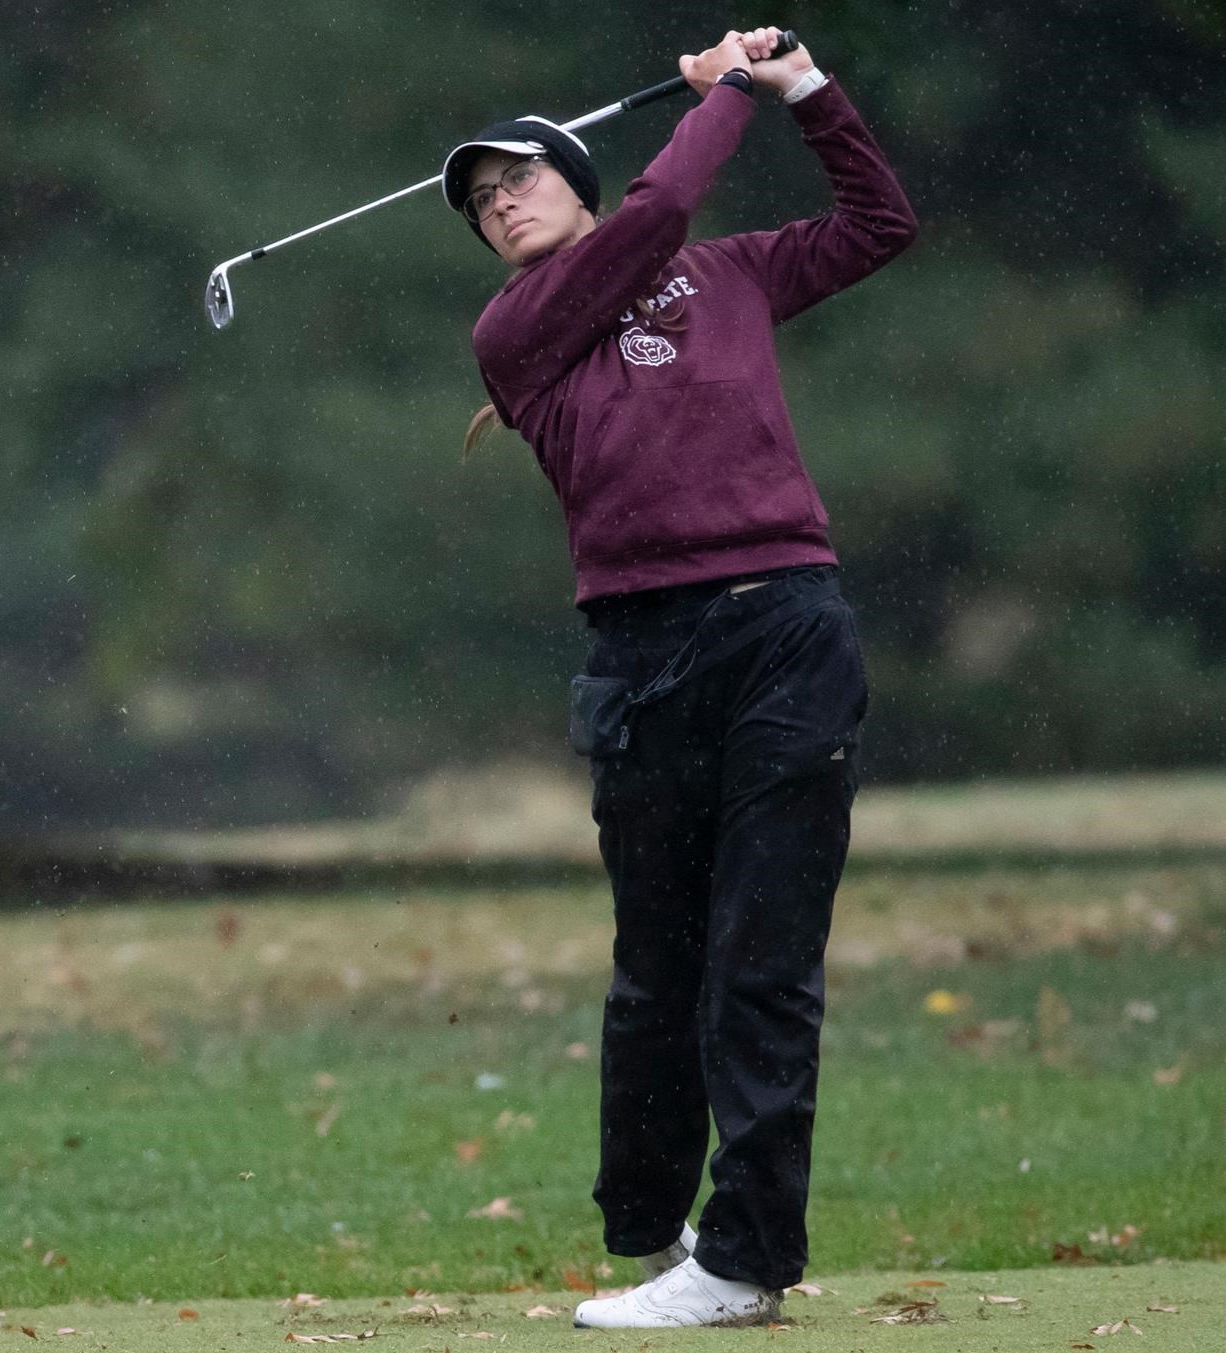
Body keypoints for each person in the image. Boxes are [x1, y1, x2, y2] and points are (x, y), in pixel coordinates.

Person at [440, 26, 917, 1330]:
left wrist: (805, 93)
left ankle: (746, 1253)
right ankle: (655, 1235)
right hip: (644, 656)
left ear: (574, 182)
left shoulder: (733, 275)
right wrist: (719, 102)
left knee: (760, 960)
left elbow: (878, 221)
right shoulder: (517, 333)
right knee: (659, 962)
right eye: (480, 202)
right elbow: (652, 217)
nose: (500, 203)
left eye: (521, 178)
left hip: (781, 628)